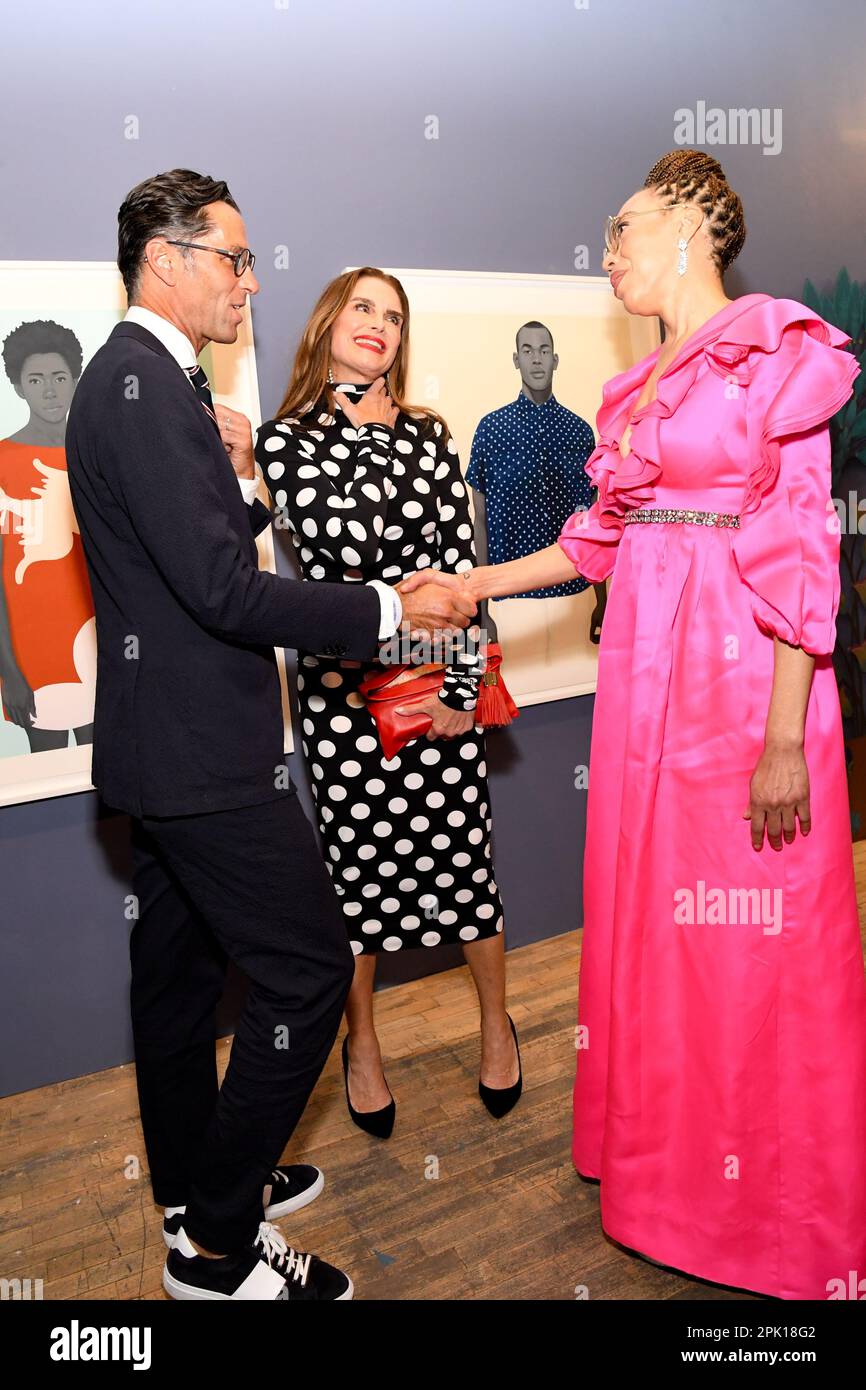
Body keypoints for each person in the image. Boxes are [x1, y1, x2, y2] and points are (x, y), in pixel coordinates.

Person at [403, 149, 866, 1300]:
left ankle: (767, 1211)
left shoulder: (775, 352)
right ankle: (665, 1182)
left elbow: (803, 551)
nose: (604, 252)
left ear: (698, 225)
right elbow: (592, 543)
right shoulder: (639, 388)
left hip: (744, 692)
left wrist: (776, 738)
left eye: (623, 228)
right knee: (663, 933)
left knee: (751, 944)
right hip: (645, 699)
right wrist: (473, 584)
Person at [65, 170, 475, 1301]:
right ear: (166, 257)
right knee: (304, 970)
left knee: (180, 983)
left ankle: (196, 1178)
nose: (250, 280)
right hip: (203, 757)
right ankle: (214, 1246)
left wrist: (237, 483)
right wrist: (391, 607)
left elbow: (179, 555)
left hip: (168, 747)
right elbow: (222, 596)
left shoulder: (149, 382)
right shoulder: (140, 384)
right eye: (233, 258)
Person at [252, 268, 520, 1140]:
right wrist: (360, 433)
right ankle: (360, 1046)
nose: (379, 325)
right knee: (354, 889)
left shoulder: (431, 434)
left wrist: (454, 685)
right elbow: (338, 546)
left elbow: (460, 566)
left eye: (394, 317)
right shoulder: (286, 440)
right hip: (340, 702)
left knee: (467, 875)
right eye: (363, 309)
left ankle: (495, 1026)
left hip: (437, 690)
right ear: (330, 323)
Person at [466, 319, 608, 641]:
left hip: (575, 596)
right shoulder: (492, 430)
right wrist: (482, 611)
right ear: (516, 359)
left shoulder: (580, 431)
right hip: (511, 603)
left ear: (555, 360)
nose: (536, 359)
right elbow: (481, 523)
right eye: (527, 351)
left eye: (544, 350)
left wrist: (603, 600)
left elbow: (593, 522)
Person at [0, 320, 95, 750]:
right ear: (18, 387)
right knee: (47, 772)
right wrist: (9, 672)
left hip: (99, 644)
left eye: (59, 378)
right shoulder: (2, 460)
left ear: (75, 379)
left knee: (113, 780)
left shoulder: (99, 454)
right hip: (31, 653)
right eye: (35, 380)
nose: (50, 391)